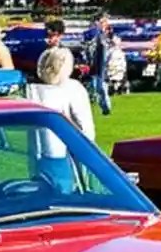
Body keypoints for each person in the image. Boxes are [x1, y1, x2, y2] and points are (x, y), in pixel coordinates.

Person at [25, 46, 95, 193]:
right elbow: (85, 127)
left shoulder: (31, 91)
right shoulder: (72, 88)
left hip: (42, 154)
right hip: (61, 155)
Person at [88, 14, 112, 114]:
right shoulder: (95, 34)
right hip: (95, 64)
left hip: (101, 65)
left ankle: (106, 107)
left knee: (101, 87)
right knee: (96, 86)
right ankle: (103, 106)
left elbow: (105, 51)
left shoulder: (104, 35)